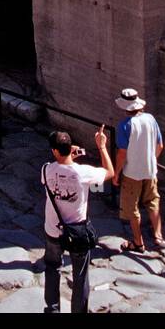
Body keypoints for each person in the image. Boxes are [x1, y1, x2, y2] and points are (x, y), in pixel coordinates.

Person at [42, 126, 114, 315]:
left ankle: (52, 309)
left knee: (52, 269)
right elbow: (110, 172)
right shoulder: (84, 173)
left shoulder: (46, 170)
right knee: (80, 275)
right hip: (78, 231)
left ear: (55, 151)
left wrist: (67, 157)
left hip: (53, 230)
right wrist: (102, 147)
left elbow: (60, 168)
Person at [113, 89, 165, 252]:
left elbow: (122, 153)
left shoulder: (124, 125)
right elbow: (160, 145)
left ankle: (138, 242)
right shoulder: (151, 119)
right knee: (153, 201)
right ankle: (158, 236)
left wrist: (116, 174)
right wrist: (152, 160)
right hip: (150, 169)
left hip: (132, 172)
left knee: (132, 207)